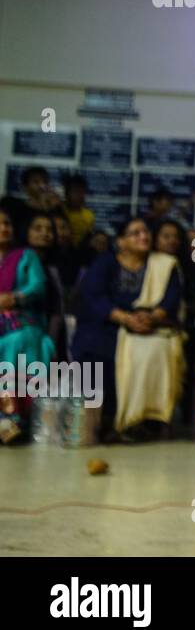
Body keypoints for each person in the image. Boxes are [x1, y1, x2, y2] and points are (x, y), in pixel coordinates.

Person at [73, 216, 183, 440]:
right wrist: (125, 318)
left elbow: (171, 298)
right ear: (121, 242)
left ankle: (140, 421)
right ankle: (107, 421)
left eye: (146, 232)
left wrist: (151, 317)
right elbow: (93, 296)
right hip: (108, 323)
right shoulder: (106, 262)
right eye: (135, 233)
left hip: (150, 325)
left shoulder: (163, 264)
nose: (144, 236)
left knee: (155, 350)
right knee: (100, 349)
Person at [0, 206, 52, 443]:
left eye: (7, 224)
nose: (3, 228)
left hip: (23, 321)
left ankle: (10, 418)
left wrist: (15, 298)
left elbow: (38, 286)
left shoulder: (25, 256)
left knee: (16, 342)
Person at [1, 166, 61, 246]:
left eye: (45, 182)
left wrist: (49, 207)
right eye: (36, 182)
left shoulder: (54, 208)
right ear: (26, 186)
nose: (42, 186)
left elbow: (57, 234)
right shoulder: (16, 208)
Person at [62, 174, 95, 248]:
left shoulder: (89, 215)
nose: (79, 195)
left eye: (82, 192)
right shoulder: (59, 211)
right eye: (75, 191)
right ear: (66, 193)